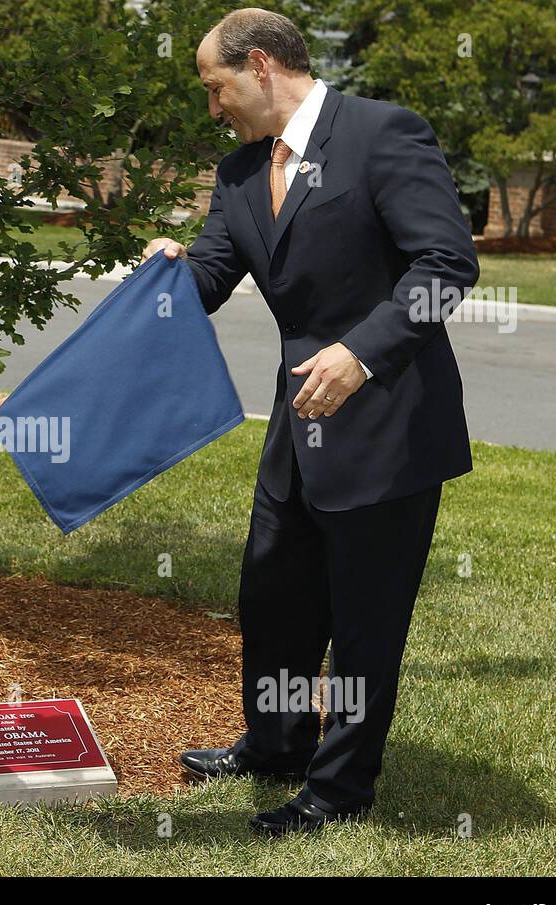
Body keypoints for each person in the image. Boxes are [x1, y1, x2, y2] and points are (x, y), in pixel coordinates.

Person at [147, 8, 478, 836]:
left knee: (365, 624)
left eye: (215, 86)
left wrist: (361, 353)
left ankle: (338, 790)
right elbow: (214, 273)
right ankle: (276, 742)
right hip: (297, 432)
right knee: (274, 599)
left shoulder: (383, 133)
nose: (212, 106)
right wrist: (167, 270)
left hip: (390, 429)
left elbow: (447, 266)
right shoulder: (237, 173)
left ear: (260, 65)